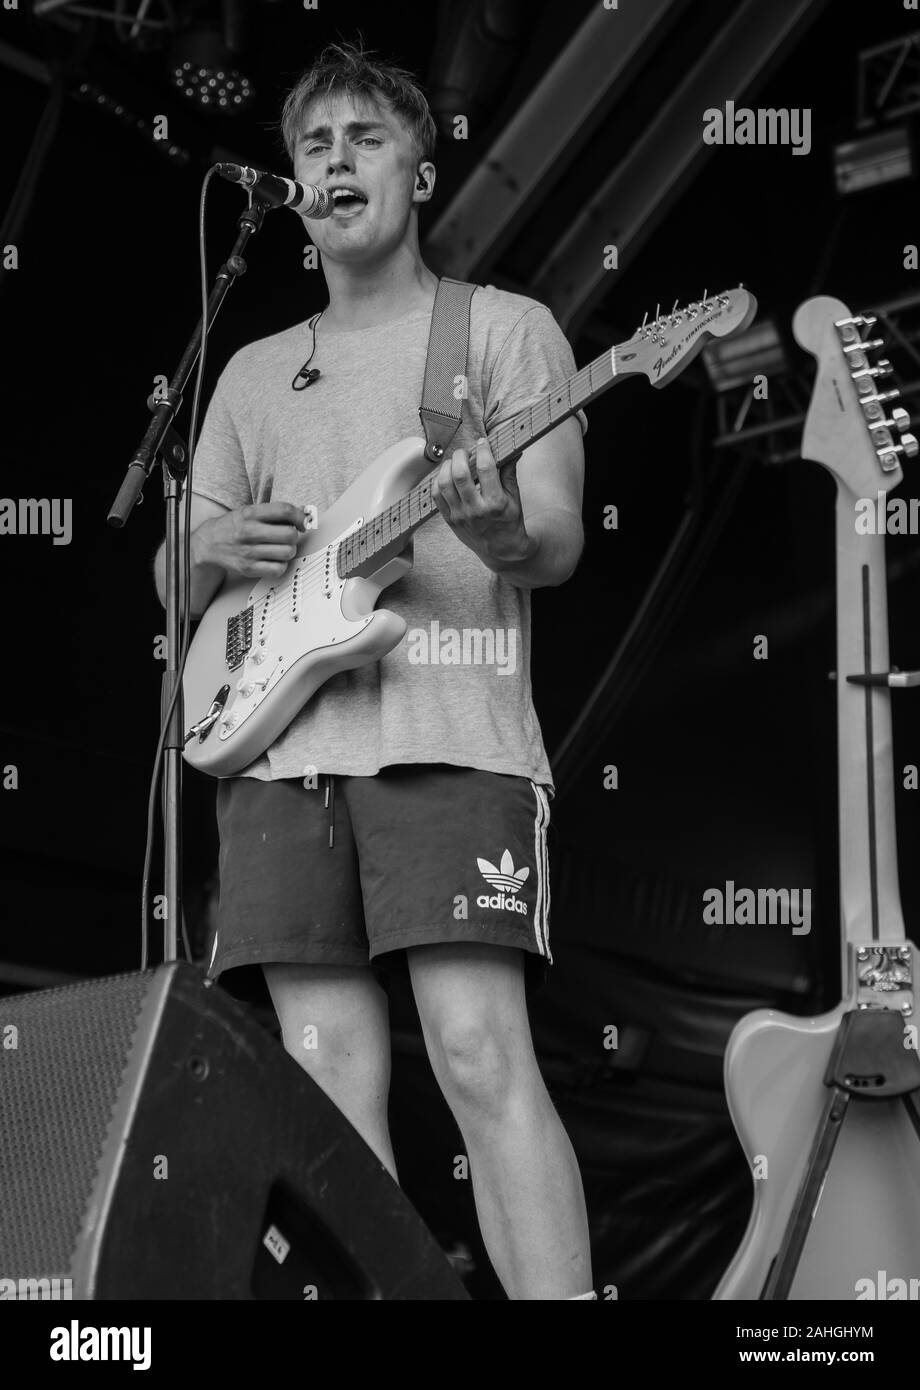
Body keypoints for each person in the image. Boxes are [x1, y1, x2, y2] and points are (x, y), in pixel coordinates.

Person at [154, 41, 593, 1301]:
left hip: (450, 736)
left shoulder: (503, 330)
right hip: (278, 753)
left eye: (365, 139)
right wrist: (207, 550)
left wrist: (493, 526)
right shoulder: (250, 371)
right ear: (291, 184)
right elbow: (178, 576)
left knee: (477, 1053)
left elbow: (554, 542)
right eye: (314, 145)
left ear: (421, 169)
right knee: (324, 1080)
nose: (335, 161)